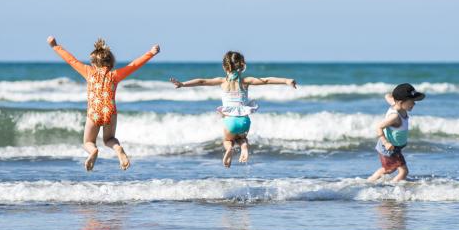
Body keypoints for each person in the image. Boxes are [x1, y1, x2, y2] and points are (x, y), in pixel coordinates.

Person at [48, 36, 159, 171]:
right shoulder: (115, 75)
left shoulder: (88, 72)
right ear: (111, 63)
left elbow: (71, 60)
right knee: (109, 139)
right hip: (110, 111)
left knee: (88, 142)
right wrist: (151, 53)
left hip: (93, 112)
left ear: (93, 63)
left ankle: (93, 151)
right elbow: (134, 65)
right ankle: (118, 149)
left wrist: (55, 46)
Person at [169, 51, 297, 168]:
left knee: (227, 140)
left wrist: (183, 84)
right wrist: (286, 80)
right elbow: (266, 80)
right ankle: (244, 147)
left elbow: (202, 81)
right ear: (241, 65)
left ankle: (229, 149)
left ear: (225, 67)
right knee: (242, 138)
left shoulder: (221, 81)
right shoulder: (245, 81)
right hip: (244, 122)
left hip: (229, 122)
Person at [368, 83, 425, 183]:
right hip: (388, 147)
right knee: (403, 172)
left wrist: (397, 93)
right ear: (400, 102)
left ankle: (371, 181)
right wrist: (386, 143)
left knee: (390, 169)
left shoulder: (396, 104)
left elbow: (387, 96)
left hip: (395, 148)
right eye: (411, 101)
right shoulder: (395, 117)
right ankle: (391, 188)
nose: (414, 104)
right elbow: (379, 127)